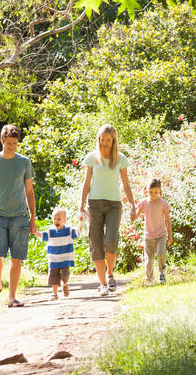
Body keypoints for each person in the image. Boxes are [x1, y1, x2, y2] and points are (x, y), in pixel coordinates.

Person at [0, 123, 37, 307]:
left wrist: (33, 217)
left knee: (16, 258)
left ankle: (12, 297)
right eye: (9, 142)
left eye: (15, 143)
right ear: (2, 140)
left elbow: (29, 190)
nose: (12, 146)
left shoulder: (24, 162)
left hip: (19, 216)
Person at [78, 124, 135, 297]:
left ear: (113, 140)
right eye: (102, 140)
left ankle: (110, 273)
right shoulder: (91, 158)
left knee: (111, 240)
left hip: (113, 205)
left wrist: (132, 205)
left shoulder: (120, 159)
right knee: (96, 243)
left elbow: (125, 184)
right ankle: (102, 284)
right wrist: (80, 206)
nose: (104, 144)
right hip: (94, 204)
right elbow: (86, 183)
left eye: (107, 140)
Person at [132, 178, 173, 284]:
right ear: (146, 190)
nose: (153, 194)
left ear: (160, 191)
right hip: (149, 235)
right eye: (151, 192)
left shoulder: (163, 203)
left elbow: (168, 220)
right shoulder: (143, 203)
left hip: (161, 234)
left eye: (156, 192)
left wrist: (170, 236)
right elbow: (135, 216)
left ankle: (162, 273)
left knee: (160, 254)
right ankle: (149, 279)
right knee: (149, 259)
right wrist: (132, 212)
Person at [42, 207, 78, 299]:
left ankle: (65, 284)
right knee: (53, 277)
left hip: (65, 258)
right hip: (54, 259)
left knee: (65, 275)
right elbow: (42, 235)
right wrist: (34, 232)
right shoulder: (51, 232)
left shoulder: (69, 231)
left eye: (59, 219)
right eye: (54, 219)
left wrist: (81, 223)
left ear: (64, 220)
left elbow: (77, 233)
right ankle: (55, 293)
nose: (56, 221)